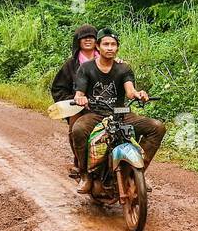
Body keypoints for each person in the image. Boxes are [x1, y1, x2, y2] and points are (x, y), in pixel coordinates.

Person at [70, 29, 165, 195]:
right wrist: (80, 98)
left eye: (113, 44)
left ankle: (138, 172)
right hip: (95, 114)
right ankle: (86, 176)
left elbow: (130, 91)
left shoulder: (123, 68)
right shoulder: (86, 68)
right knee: (78, 130)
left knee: (157, 127)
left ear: (117, 48)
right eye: (105, 44)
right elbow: (80, 93)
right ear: (98, 47)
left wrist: (139, 94)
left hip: (122, 113)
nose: (109, 48)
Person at [50, 24, 98, 178]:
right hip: (78, 108)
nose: (88, 40)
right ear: (77, 42)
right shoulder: (70, 65)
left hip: (105, 104)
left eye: (91, 37)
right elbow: (58, 88)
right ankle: (81, 166)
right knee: (75, 131)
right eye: (84, 37)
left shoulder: (108, 60)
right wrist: (74, 101)